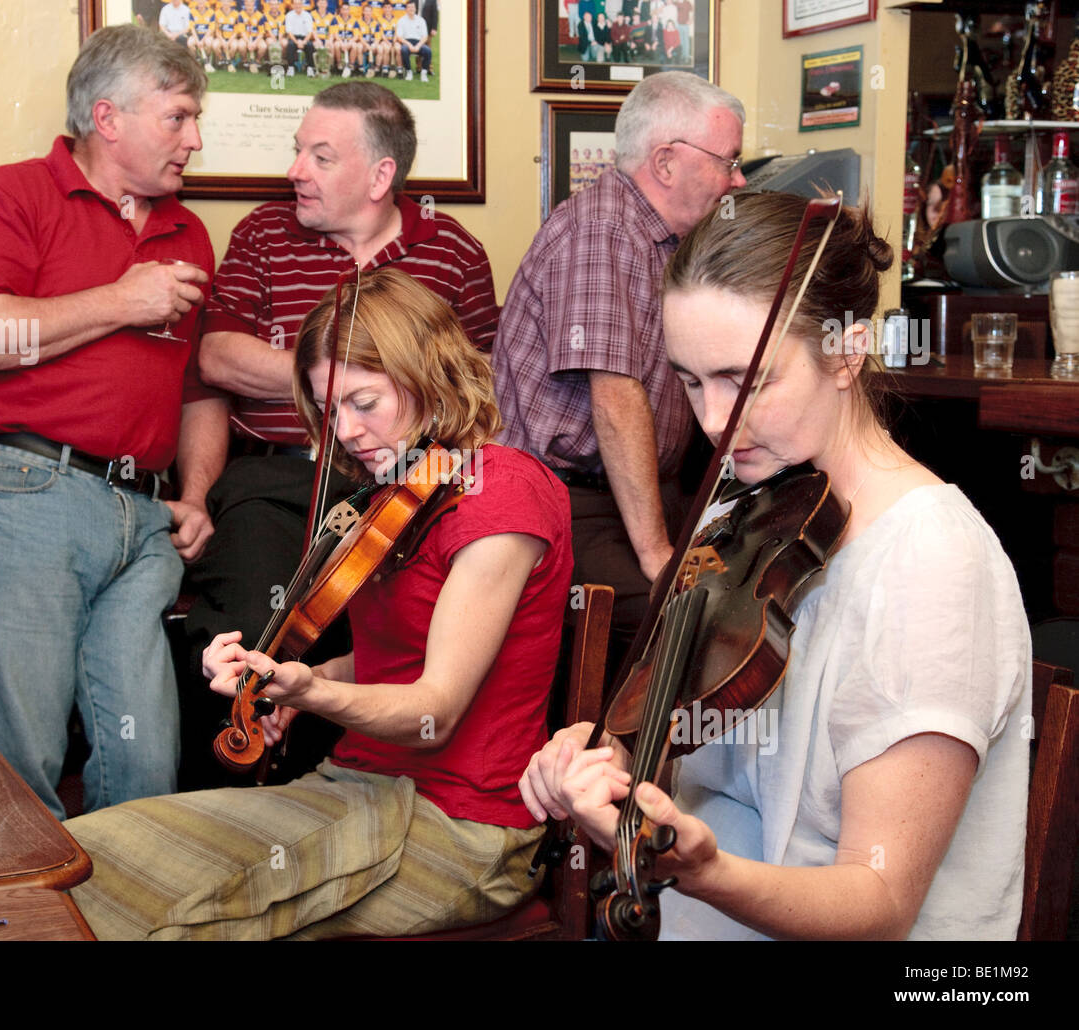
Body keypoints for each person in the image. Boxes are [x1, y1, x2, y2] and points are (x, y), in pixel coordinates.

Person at [520, 192, 1031, 941]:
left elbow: (882, 907)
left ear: (847, 351)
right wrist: (600, 756)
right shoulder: (745, 516)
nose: (714, 421)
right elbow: (681, 758)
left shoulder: (931, 562)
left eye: (747, 379)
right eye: (691, 382)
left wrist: (705, 870)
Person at [66, 268, 574, 939]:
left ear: (429, 373)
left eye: (364, 402)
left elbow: (436, 709)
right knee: (86, 853)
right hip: (355, 787)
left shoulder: (502, 494)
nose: (347, 431)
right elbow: (386, 663)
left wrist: (308, 691)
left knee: (167, 910)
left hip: (461, 830)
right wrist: (270, 680)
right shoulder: (401, 498)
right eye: (330, 411)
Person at [0, 25, 225, 818]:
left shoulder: (187, 229)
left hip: (143, 517)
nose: (194, 140)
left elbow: (198, 387)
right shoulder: (11, 196)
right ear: (108, 118)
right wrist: (122, 300)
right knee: (17, 751)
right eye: (178, 118)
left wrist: (195, 495)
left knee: (147, 758)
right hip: (24, 492)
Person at [181, 82, 498, 780]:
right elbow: (216, 354)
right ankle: (229, 788)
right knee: (249, 631)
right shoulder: (264, 233)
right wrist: (353, 383)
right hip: (276, 476)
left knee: (381, 636)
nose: (295, 170)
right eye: (299, 151)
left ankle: (334, 793)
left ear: (381, 175)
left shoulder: (453, 251)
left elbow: (477, 384)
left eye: (319, 156)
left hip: (406, 494)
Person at [490, 71, 745, 648]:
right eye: (728, 161)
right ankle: (611, 741)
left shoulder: (661, 238)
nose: (738, 178)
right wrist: (660, 558)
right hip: (564, 504)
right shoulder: (602, 230)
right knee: (686, 629)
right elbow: (615, 396)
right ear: (664, 163)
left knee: (745, 596)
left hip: (635, 491)